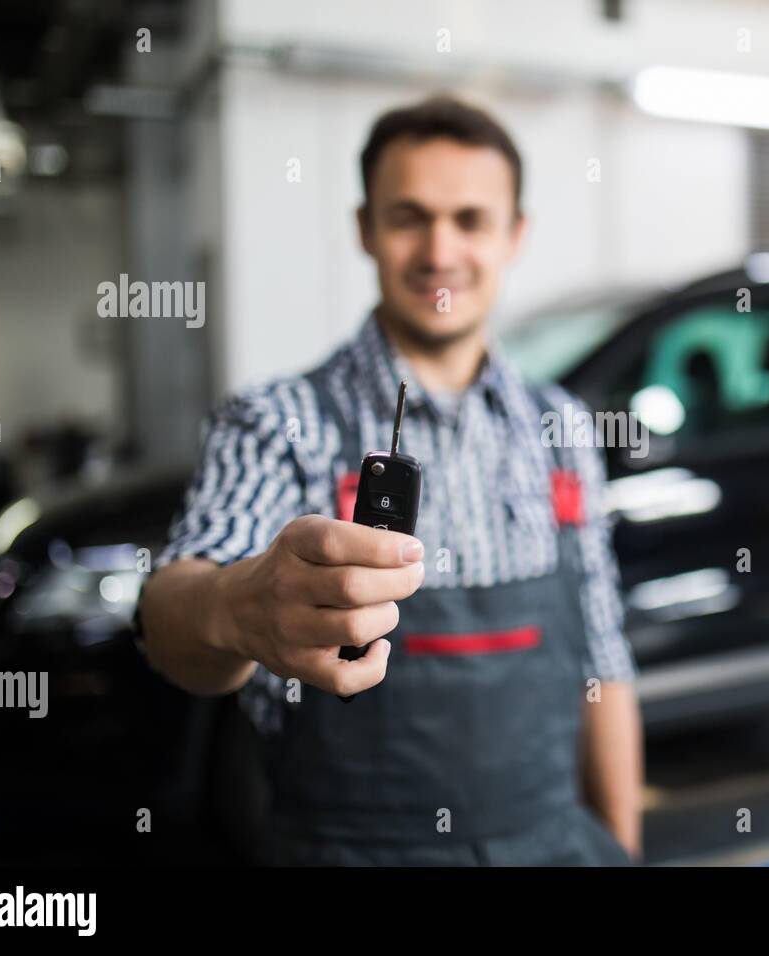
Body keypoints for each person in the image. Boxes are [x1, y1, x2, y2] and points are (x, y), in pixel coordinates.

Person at [137, 94, 643, 866]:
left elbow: (602, 667)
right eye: (409, 216)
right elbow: (173, 612)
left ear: (515, 236)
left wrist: (622, 848)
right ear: (365, 228)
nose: (440, 250)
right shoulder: (277, 422)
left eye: (471, 219)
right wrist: (237, 606)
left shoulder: (563, 428)